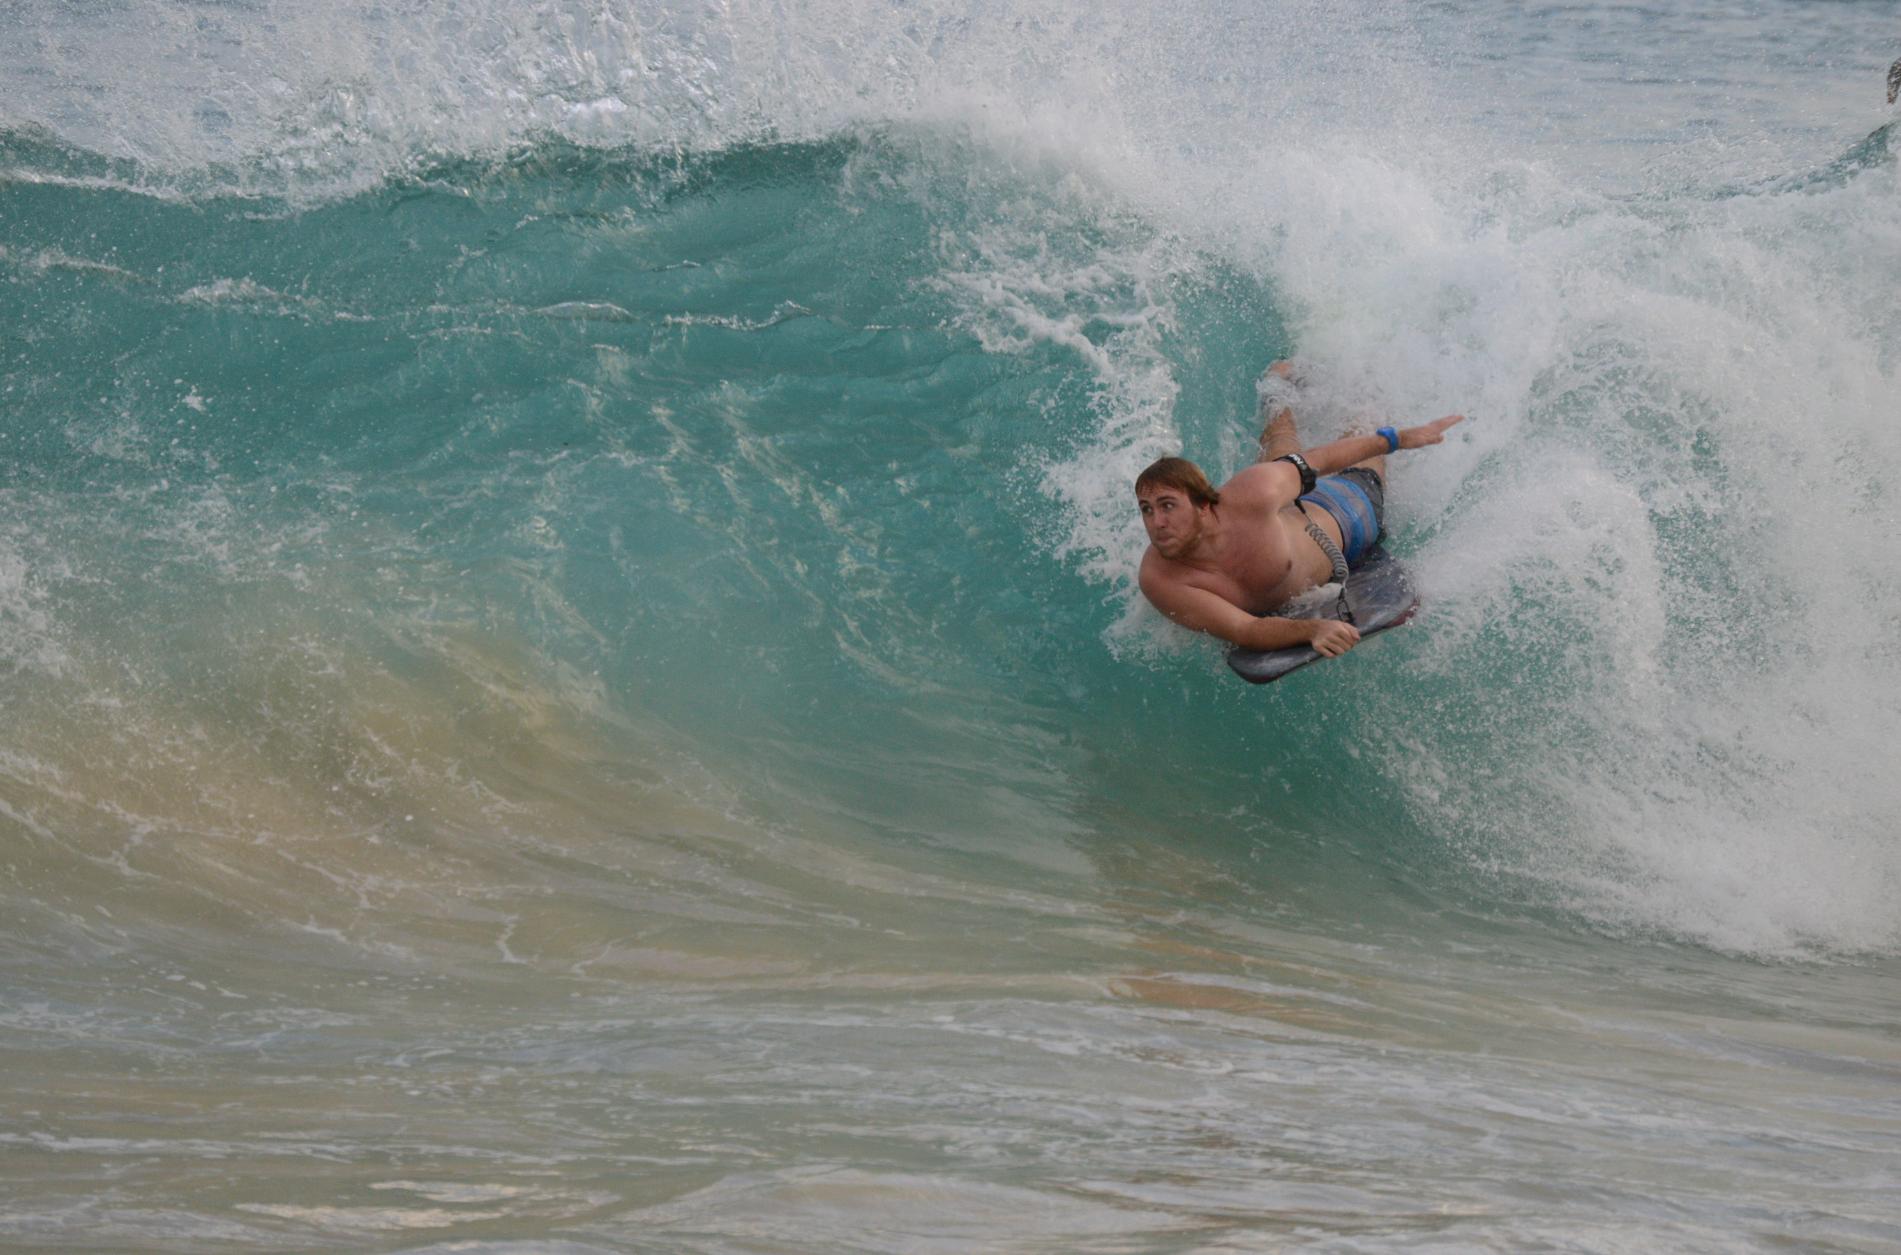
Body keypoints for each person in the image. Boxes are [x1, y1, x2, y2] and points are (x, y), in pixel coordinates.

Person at [1135, 362, 1463, 657]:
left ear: (1203, 504)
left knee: (1351, 434)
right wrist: (1313, 629)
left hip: (1348, 511)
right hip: (1290, 512)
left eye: (1167, 506)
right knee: (1279, 442)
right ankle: (1279, 384)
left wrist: (1397, 439)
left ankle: (1359, 373)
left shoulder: (1252, 494)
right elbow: (1245, 630)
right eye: (1147, 510)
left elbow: (1319, 461)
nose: (1157, 522)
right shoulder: (1159, 577)